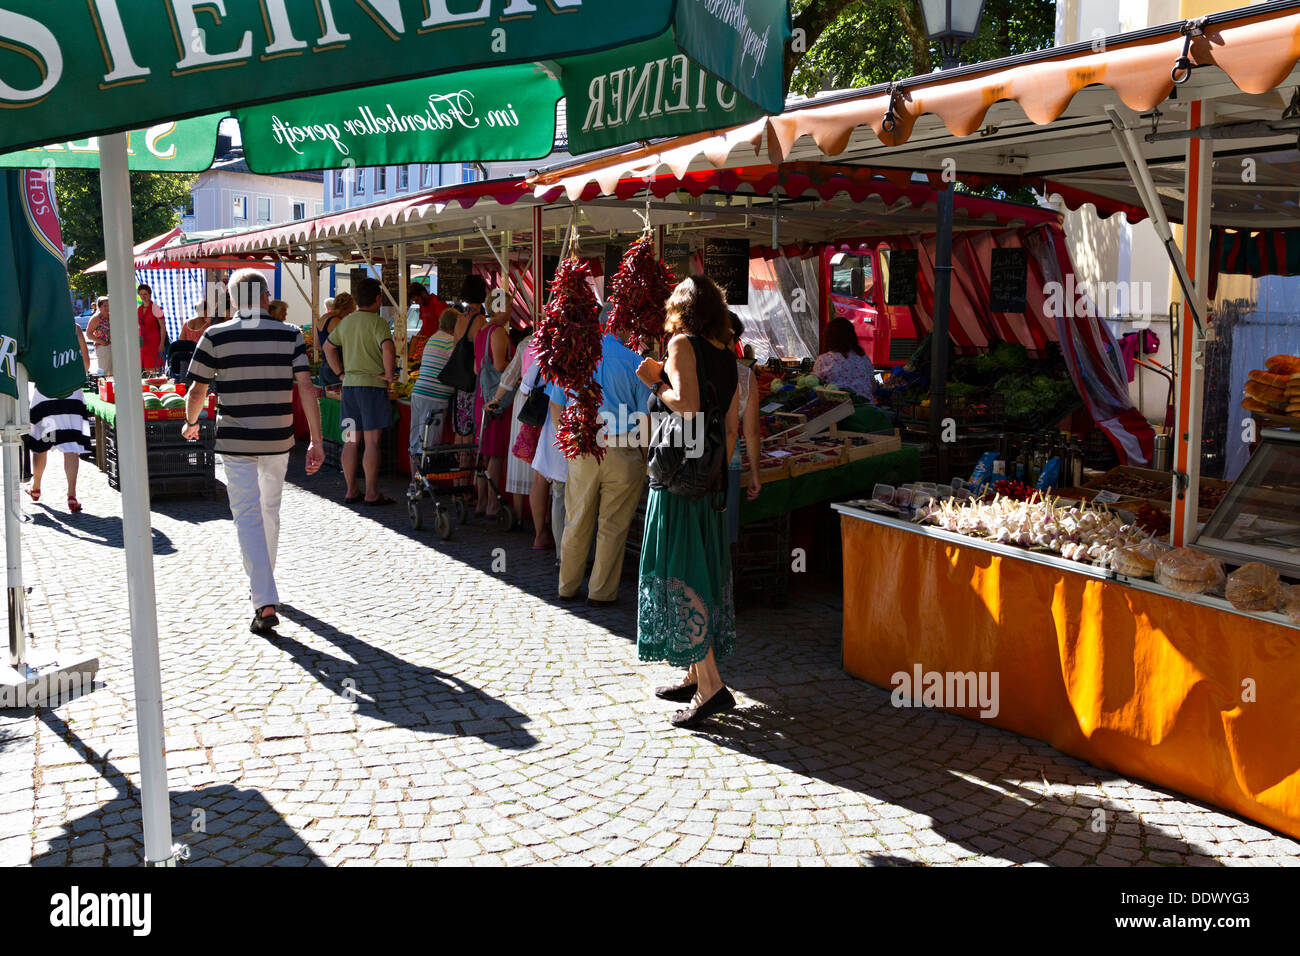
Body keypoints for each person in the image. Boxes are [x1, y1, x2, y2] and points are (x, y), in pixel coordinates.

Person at [183, 269, 325, 634]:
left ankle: (263, 599)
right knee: (270, 511)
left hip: (236, 440)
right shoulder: (290, 334)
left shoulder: (215, 335)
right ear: (264, 297)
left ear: (232, 301)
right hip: (278, 438)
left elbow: (198, 390)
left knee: (248, 515)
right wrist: (317, 440)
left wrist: (190, 421)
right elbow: (307, 388)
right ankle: (266, 584)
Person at [634, 275, 740, 729]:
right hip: (708, 480)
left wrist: (654, 382)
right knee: (700, 569)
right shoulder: (727, 354)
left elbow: (689, 407)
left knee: (680, 570)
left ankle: (712, 685)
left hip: (679, 481)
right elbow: (730, 430)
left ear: (680, 309)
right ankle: (696, 674)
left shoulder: (681, 345)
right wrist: (715, 473)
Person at [554, 320, 652, 607]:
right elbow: (644, 418)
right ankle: (601, 592)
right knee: (613, 525)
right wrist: (646, 457)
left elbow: (556, 404)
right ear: (620, 328)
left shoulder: (576, 356)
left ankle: (567, 586)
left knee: (577, 519)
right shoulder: (634, 362)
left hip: (584, 445)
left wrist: (568, 440)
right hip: (623, 447)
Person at [324, 277, 395, 506]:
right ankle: (372, 493)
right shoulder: (378, 323)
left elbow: (328, 347)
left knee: (350, 441)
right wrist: (388, 374)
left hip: (350, 387)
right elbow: (387, 347)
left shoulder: (346, 322)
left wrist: (341, 374)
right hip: (372, 387)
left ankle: (351, 489)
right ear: (377, 299)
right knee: (372, 442)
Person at [25, 325, 92, 512]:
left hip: (46, 394)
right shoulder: (75, 329)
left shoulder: (38, 329)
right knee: (71, 447)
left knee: (42, 444)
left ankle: (36, 487)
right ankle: (72, 495)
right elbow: (85, 366)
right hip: (71, 395)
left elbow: (32, 368)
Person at [473, 307, 513, 516]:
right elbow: (499, 365)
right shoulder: (497, 331)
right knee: (495, 453)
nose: (512, 311)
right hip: (496, 397)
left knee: (484, 452)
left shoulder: (481, 331)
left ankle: (481, 502)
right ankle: (492, 505)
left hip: (482, 393)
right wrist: (517, 367)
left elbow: (476, 367)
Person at [727, 312, 763, 543]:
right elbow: (750, 432)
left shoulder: (690, 368)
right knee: (723, 533)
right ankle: (720, 578)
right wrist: (755, 474)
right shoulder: (745, 375)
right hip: (731, 463)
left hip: (695, 460)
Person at [408, 307, 458, 473]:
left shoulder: (433, 338)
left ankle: (413, 482)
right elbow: (456, 369)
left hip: (418, 393)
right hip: (435, 398)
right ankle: (425, 480)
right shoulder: (451, 342)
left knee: (415, 439)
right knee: (430, 443)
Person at [449, 275, 488, 442]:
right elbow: (482, 355)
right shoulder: (480, 321)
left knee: (460, 427)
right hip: (473, 381)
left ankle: (459, 466)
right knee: (471, 428)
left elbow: (454, 348)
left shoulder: (459, 319)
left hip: (459, 381)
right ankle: (468, 467)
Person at [814, 315, 876, 400]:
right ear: (852, 336)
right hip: (866, 406)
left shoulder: (823, 360)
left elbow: (816, 390)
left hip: (839, 410)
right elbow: (873, 387)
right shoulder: (863, 357)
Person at [315, 293, 354, 388]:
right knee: (339, 400)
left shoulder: (322, 319)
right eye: (348, 312)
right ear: (344, 309)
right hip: (337, 367)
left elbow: (317, 345)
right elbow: (349, 344)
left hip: (324, 366)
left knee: (327, 400)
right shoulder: (337, 322)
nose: (347, 315)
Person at [137, 283, 166, 373]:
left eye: (145, 294)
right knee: (146, 369)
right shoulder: (139, 309)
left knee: (155, 367)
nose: (143, 296)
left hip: (154, 342)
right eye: (141, 294)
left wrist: (161, 343)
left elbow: (162, 327)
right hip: (143, 342)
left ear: (150, 294)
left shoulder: (156, 308)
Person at [85, 296, 111, 377]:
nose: (107, 307)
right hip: (102, 347)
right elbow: (88, 334)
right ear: (99, 307)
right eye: (104, 306)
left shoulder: (111, 316)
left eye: (108, 305)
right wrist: (101, 342)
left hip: (113, 346)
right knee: (105, 371)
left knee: (114, 371)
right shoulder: (96, 318)